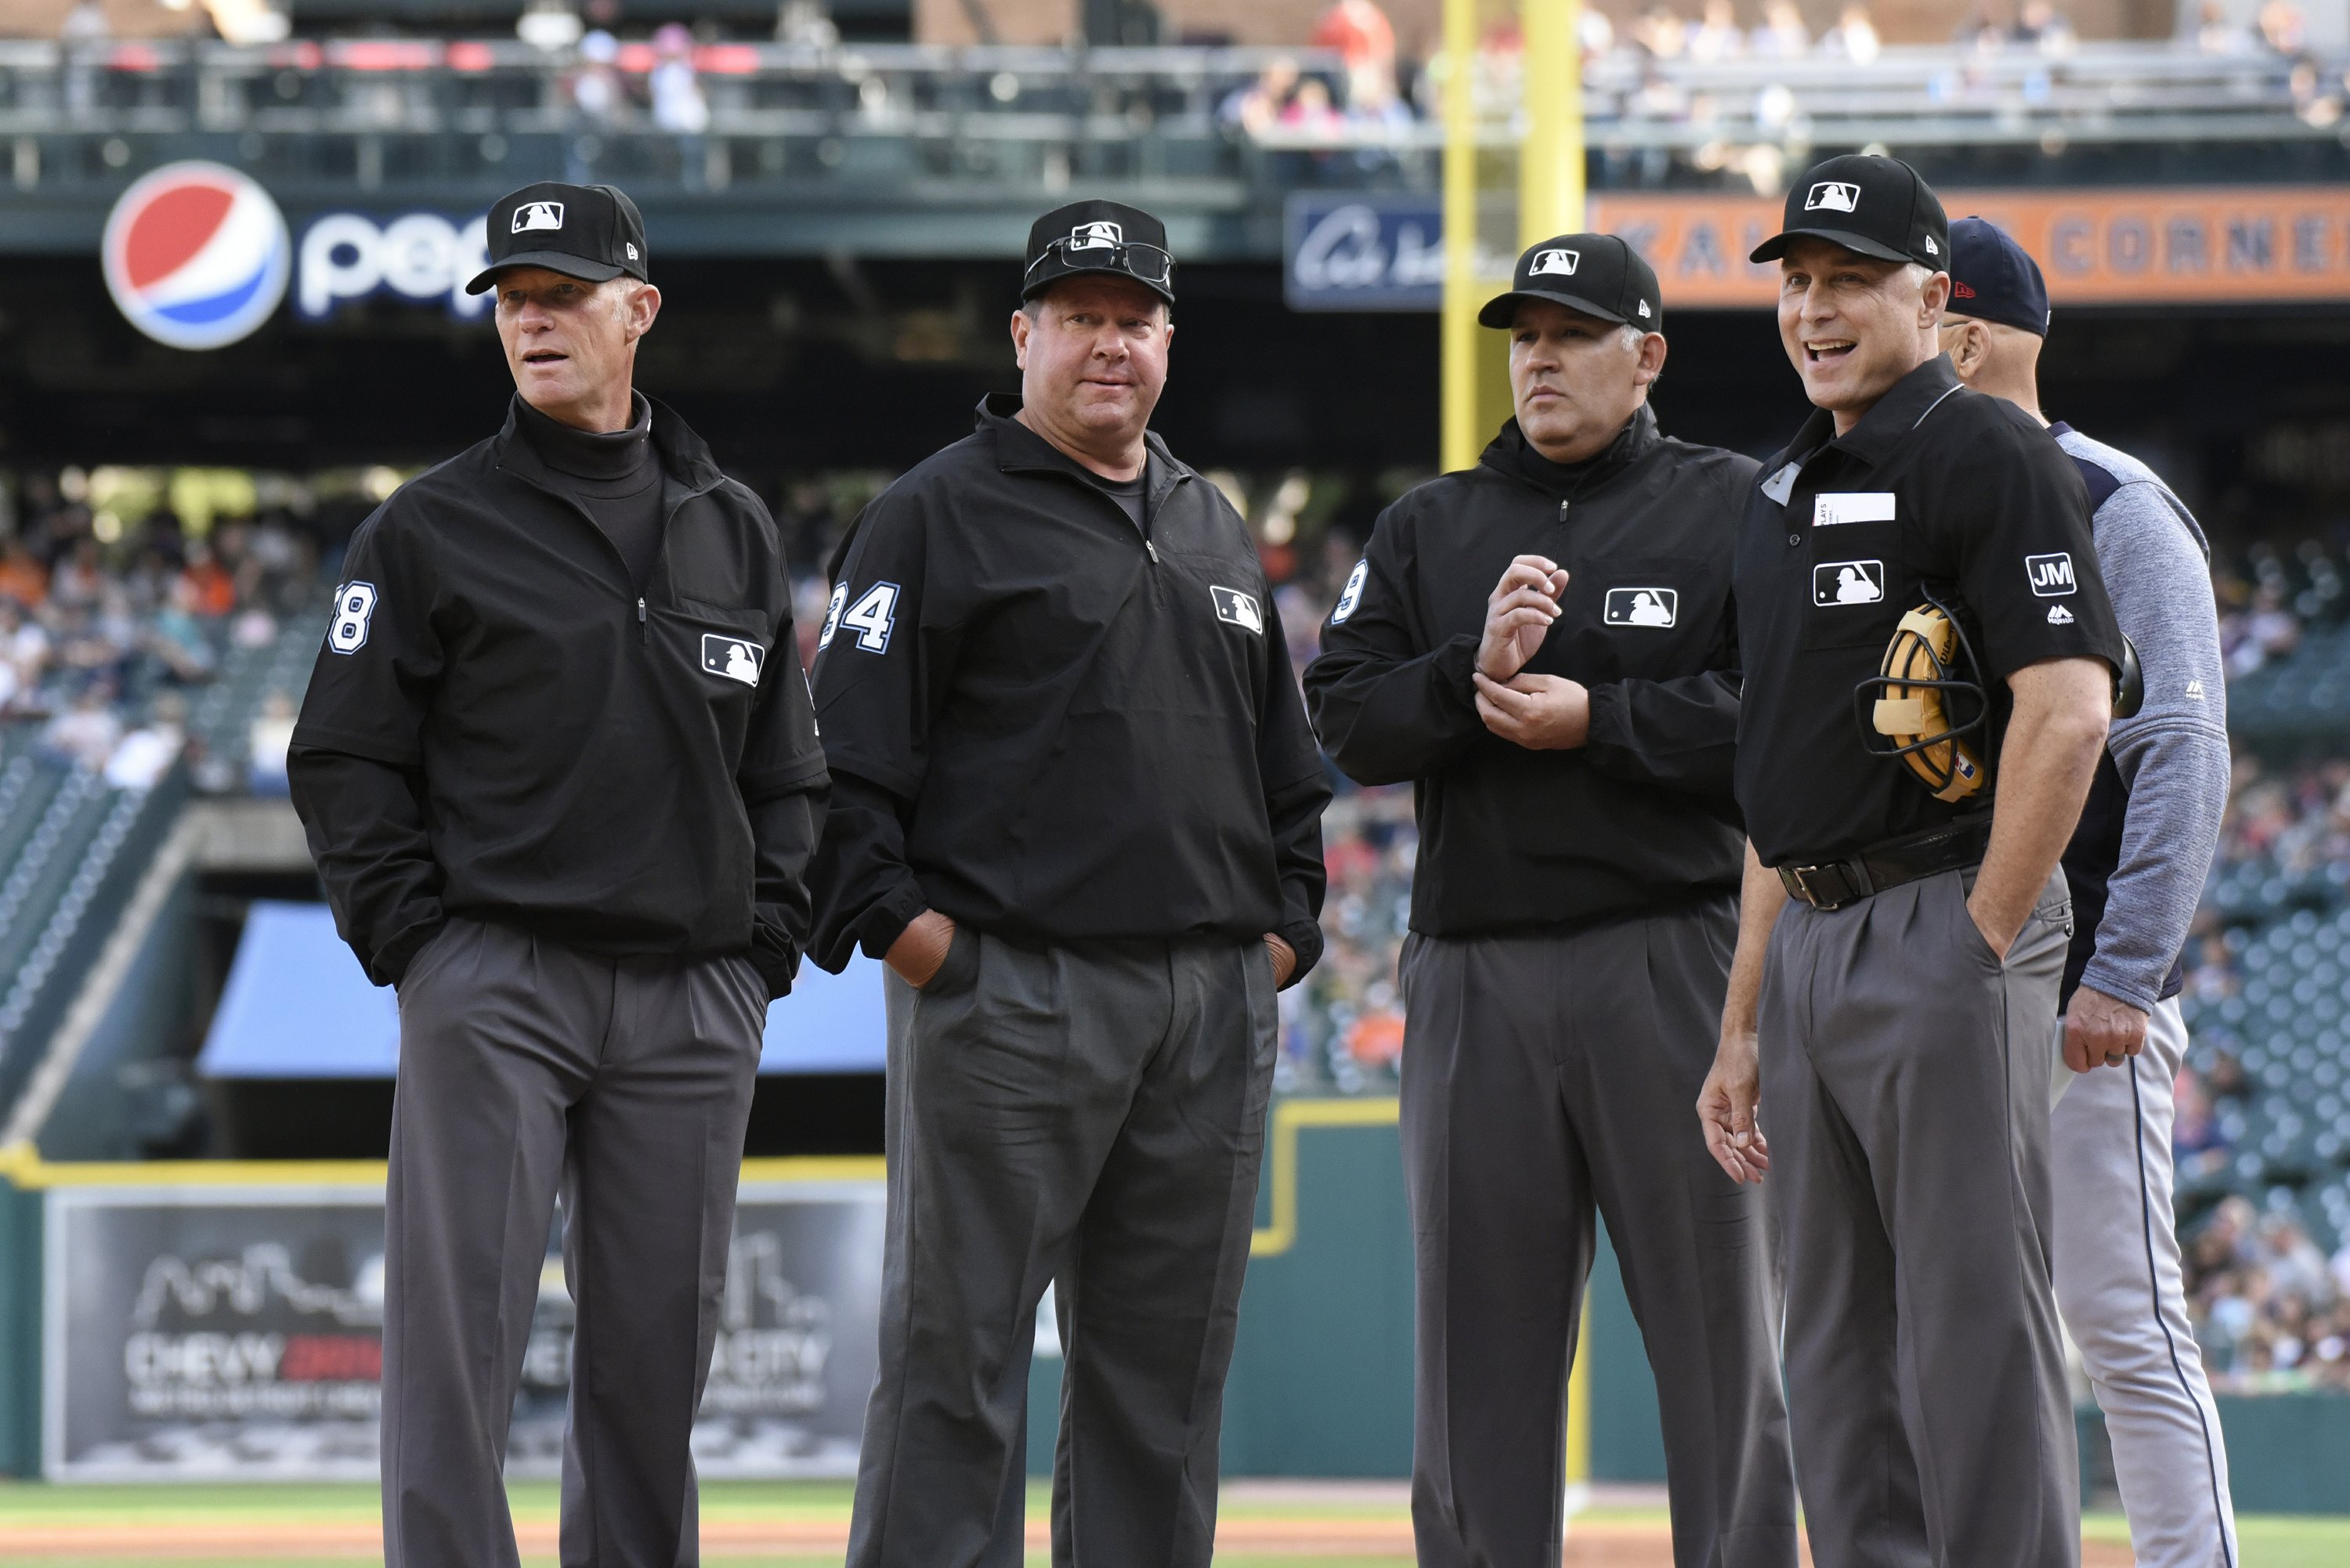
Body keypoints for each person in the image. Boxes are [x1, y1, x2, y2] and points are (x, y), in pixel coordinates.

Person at [288, 181, 828, 1568]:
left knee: (655, 1365)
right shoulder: (426, 526)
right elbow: (343, 757)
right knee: (455, 1351)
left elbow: (788, 770)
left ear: (636, 311)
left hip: (692, 998)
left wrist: (760, 947)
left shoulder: (733, 525)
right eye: (512, 298)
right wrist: (422, 944)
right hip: (497, 979)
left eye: (562, 292)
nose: (532, 317)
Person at [808, 199, 1330, 1568]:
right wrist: (932, 951)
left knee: (1161, 1395)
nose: (1111, 343)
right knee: (953, 1370)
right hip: (1009, 991)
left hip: (1208, 1004)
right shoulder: (933, 511)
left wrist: (1278, 939)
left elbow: (1289, 773)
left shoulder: (1211, 521)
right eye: (1082, 316)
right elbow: (839, 778)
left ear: (1169, 341)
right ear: (1025, 333)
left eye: (1135, 319)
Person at [1305, 234, 1797, 1568]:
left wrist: (1603, 721)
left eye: (1572, 333)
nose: (1539, 358)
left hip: (1677, 958)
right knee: (1478, 1360)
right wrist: (1472, 669)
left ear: (1646, 356)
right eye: (1523, 334)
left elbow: (1786, 724)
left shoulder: (1738, 503)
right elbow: (1337, 714)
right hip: (1477, 971)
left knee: (1719, 1346)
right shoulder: (1431, 524)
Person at [1696, 154, 2124, 1568]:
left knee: (1974, 1328)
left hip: (1947, 905)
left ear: (1934, 298)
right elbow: (1777, 783)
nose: (1814, 309)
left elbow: (2070, 708)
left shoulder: (1987, 450)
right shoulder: (1778, 489)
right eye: (1797, 281)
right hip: (1810, 931)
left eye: (1850, 280)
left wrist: (1981, 938)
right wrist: (1743, 1017)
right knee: (1829, 1346)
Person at [1940, 215, 2240, 1568]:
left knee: (2121, 1317)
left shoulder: (2115, 502)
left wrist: (2125, 969)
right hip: (1933, 982)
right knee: (1948, 1322)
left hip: (2074, 991)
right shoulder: (1887, 496)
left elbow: (2179, 748)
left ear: (1973, 329)